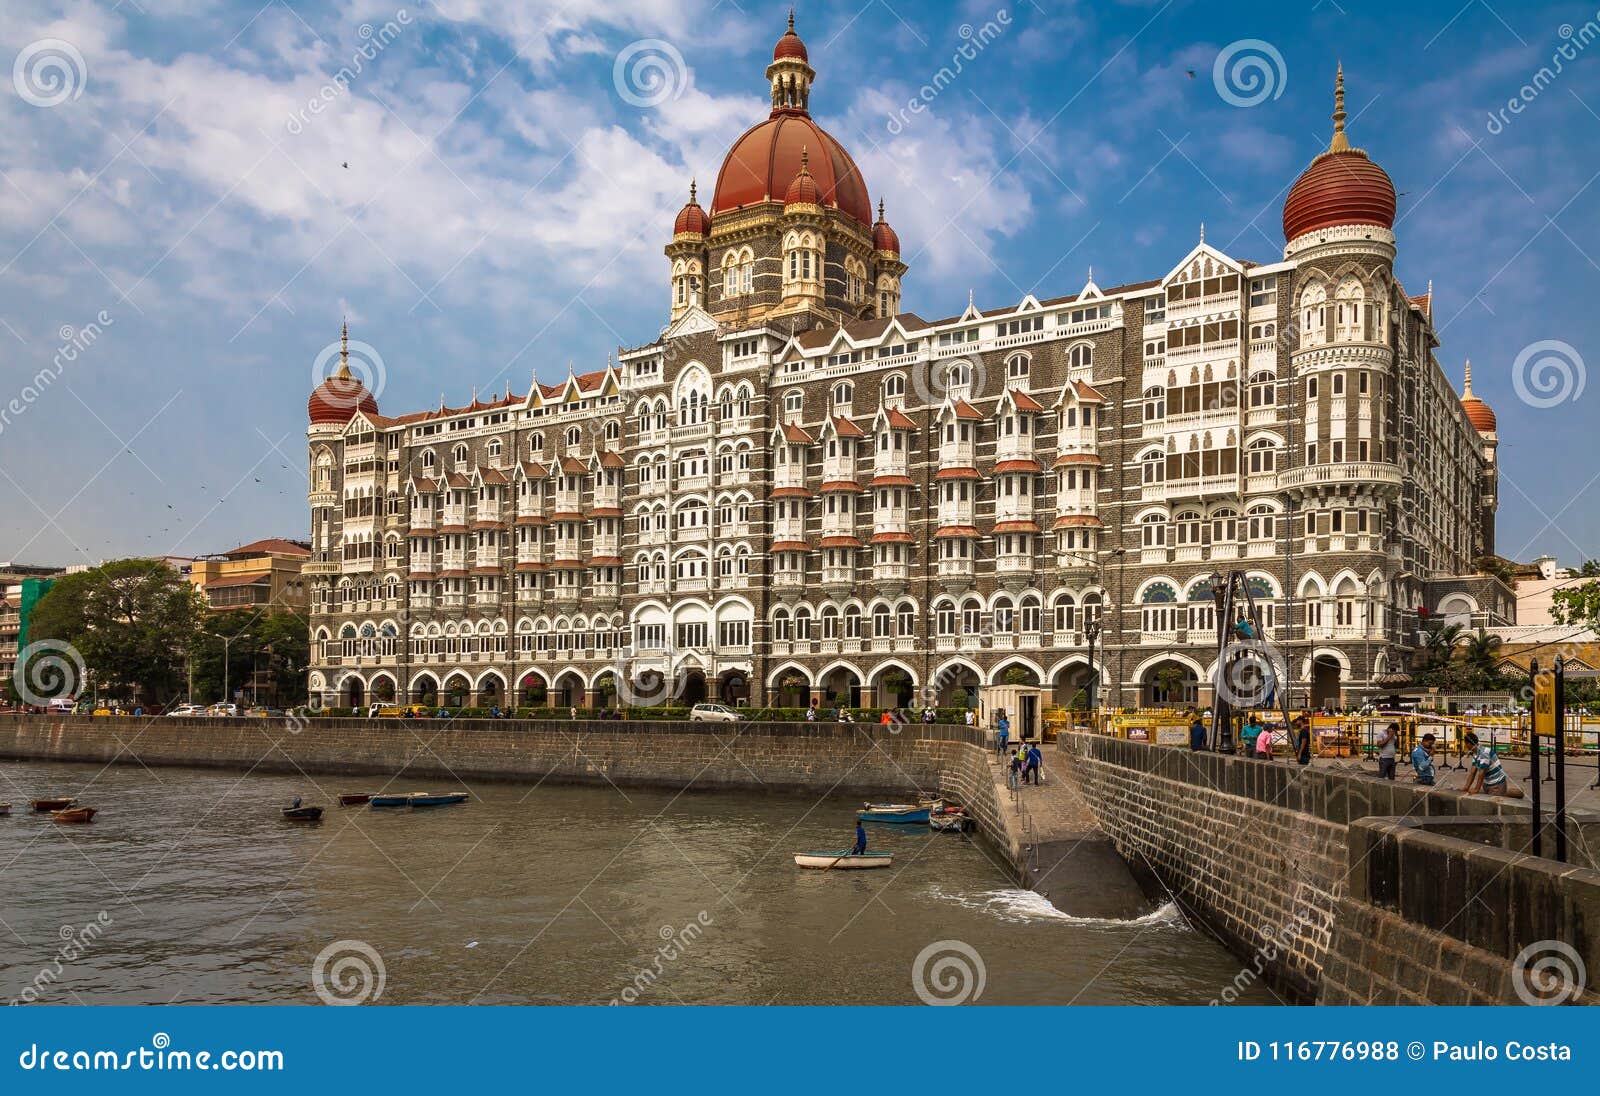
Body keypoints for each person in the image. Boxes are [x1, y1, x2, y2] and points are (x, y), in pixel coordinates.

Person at [1463, 731, 1524, 798]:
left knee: (1492, 801)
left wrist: (1476, 789)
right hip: (1487, 784)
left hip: (1497, 784)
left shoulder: (1484, 752)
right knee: (1480, 794)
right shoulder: (1475, 753)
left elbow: (1481, 773)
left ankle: (1510, 792)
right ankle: (1507, 792)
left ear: (1468, 744)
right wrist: (1466, 787)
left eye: (1465, 743)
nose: (1465, 745)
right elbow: (1472, 772)